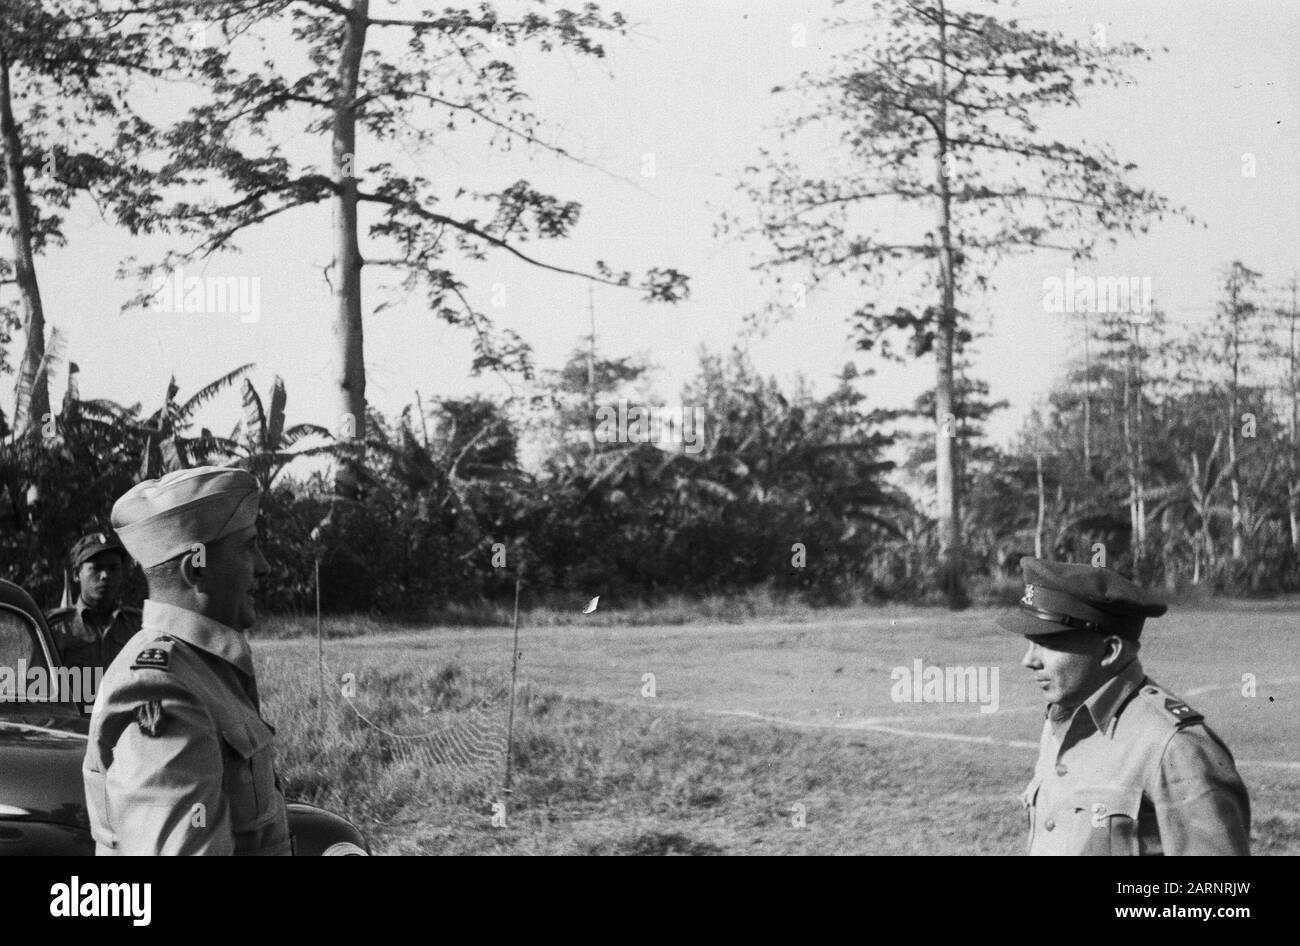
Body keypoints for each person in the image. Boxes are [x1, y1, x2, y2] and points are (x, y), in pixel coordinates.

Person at [83, 466, 291, 855]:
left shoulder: (204, 667)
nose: (263, 566)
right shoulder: (160, 687)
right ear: (196, 568)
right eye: (248, 547)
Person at [1001, 556, 1250, 856]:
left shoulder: (1174, 747)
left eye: (1049, 643)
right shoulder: (1061, 719)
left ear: (1109, 651)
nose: (1028, 660)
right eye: (1030, 642)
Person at [45, 531, 142, 671]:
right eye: (96, 568)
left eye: (113, 568)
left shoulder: (138, 626)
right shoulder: (55, 627)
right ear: (76, 574)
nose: (105, 575)